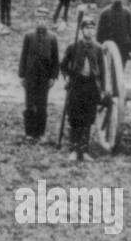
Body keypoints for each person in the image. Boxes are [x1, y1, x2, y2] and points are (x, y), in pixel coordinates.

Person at [61, 16, 103, 162]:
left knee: (88, 118)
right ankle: (73, 149)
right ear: (82, 30)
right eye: (87, 28)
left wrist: (102, 88)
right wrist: (67, 76)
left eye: (92, 28)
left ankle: (84, 150)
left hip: (91, 87)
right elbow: (63, 65)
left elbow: (102, 71)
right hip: (76, 85)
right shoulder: (73, 46)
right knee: (74, 117)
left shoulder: (98, 48)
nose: (89, 31)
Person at [18, 9, 59, 142]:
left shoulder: (52, 38)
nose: (41, 21)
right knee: (30, 105)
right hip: (30, 76)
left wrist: (53, 76)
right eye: (39, 18)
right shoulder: (29, 36)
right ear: (35, 20)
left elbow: (55, 59)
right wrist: (22, 75)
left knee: (42, 106)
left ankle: (40, 134)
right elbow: (24, 56)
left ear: (47, 21)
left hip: (45, 77)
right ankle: (29, 133)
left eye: (44, 19)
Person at [96, 0, 131, 65]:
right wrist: (99, 47)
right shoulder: (105, 12)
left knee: (120, 68)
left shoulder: (127, 13)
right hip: (109, 46)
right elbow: (99, 32)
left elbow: (130, 32)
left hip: (123, 47)